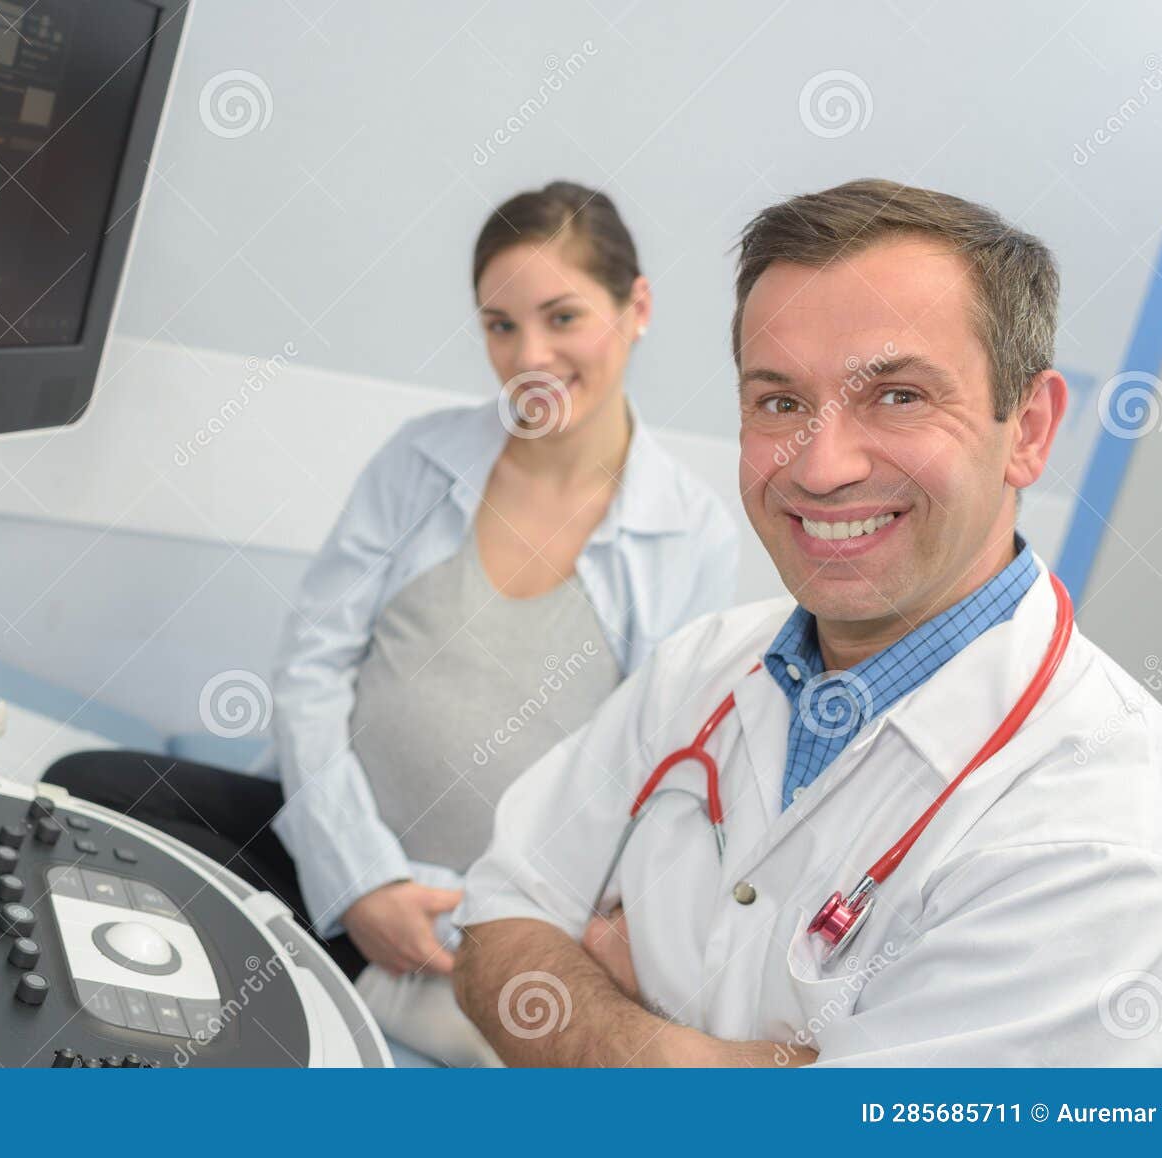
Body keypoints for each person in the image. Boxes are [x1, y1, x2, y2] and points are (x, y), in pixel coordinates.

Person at [452, 178, 1162, 1067]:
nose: (823, 466)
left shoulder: (1100, 831)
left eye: (900, 396)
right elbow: (497, 924)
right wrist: (710, 1065)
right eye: (780, 402)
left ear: (1028, 428)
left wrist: (600, 993)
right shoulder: (706, 665)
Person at [42, 181, 739, 1059]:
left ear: (635, 307)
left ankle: (349, 973)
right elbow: (312, 671)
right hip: (334, 844)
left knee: (143, 874)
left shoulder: (689, 534)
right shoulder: (418, 462)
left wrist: (470, 916)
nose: (530, 355)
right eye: (500, 324)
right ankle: (336, 948)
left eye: (563, 318)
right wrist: (360, 880)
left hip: (493, 913)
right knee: (77, 791)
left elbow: (648, 780)